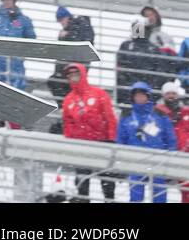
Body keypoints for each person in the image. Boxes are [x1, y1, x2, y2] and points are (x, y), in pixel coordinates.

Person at [59, 63, 117, 202]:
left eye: (76, 74)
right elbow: (67, 124)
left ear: (83, 74)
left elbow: (110, 118)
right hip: (81, 146)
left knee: (107, 183)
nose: (73, 77)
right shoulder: (68, 100)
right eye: (70, 75)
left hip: (102, 144)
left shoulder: (99, 94)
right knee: (82, 183)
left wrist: (111, 139)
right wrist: (70, 143)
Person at [115, 81, 177, 202]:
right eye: (136, 95)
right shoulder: (126, 116)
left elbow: (170, 139)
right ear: (132, 97)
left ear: (148, 96)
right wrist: (121, 159)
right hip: (135, 160)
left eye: (142, 95)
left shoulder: (160, 115)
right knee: (135, 196)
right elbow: (120, 140)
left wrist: (171, 159)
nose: (139, 97)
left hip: (158, 160)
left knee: (159, 196)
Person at [0, 0, 35, 92]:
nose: (7, 2)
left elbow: (31, 40)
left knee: (15, 90)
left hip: (15, 62)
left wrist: (22, 54)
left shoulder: (24, 20)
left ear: (14, 1)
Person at [117, 16, 167, 106]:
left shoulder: (154, 49)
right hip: (128, 95)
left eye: (142, 28)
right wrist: (129, 91)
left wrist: (148, 91)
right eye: (135, 27)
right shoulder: (126, 46)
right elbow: (121, 71)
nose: (138, 30)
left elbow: (159, 73)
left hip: (148, 95)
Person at [154, 82, 189, 202]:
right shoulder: (156, 112)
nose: (171, 96)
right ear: (163, 95)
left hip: (183, 156)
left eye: (173, 93)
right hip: (163, 155)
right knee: (159, 189)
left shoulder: (186, 112)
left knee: (187, 189)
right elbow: (151, 132)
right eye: (168, 93)